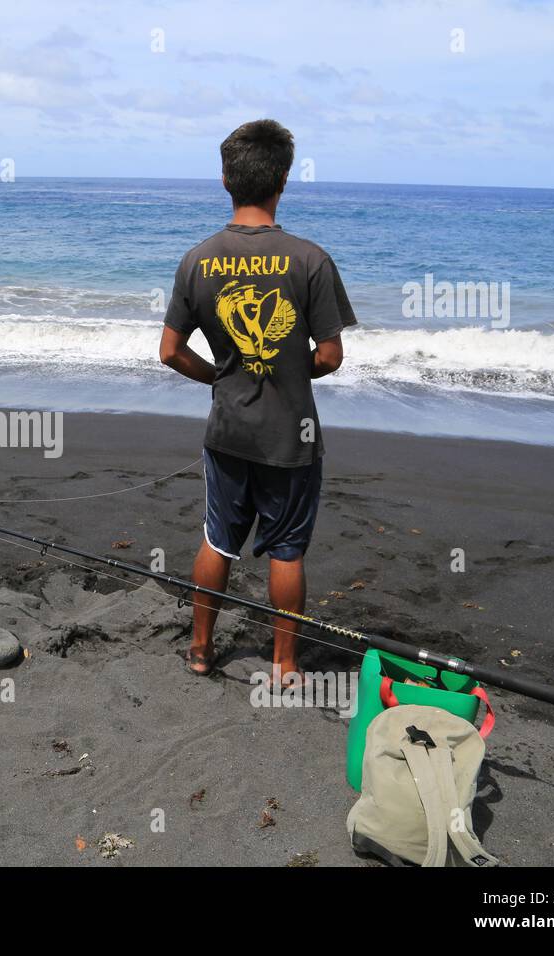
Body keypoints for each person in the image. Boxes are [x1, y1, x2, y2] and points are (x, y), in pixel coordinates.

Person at [159, 119, 357, 685]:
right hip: (290, 434)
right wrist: (290, 373)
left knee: (218, 539)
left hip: (229, 430)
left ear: (225, 179)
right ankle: (284, 663)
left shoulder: (198, 259)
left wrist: (220, 378)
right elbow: (331, 355)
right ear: (284, 180)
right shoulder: (310, 260)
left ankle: (200, 650)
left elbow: (171, 351)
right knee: (287, 551)